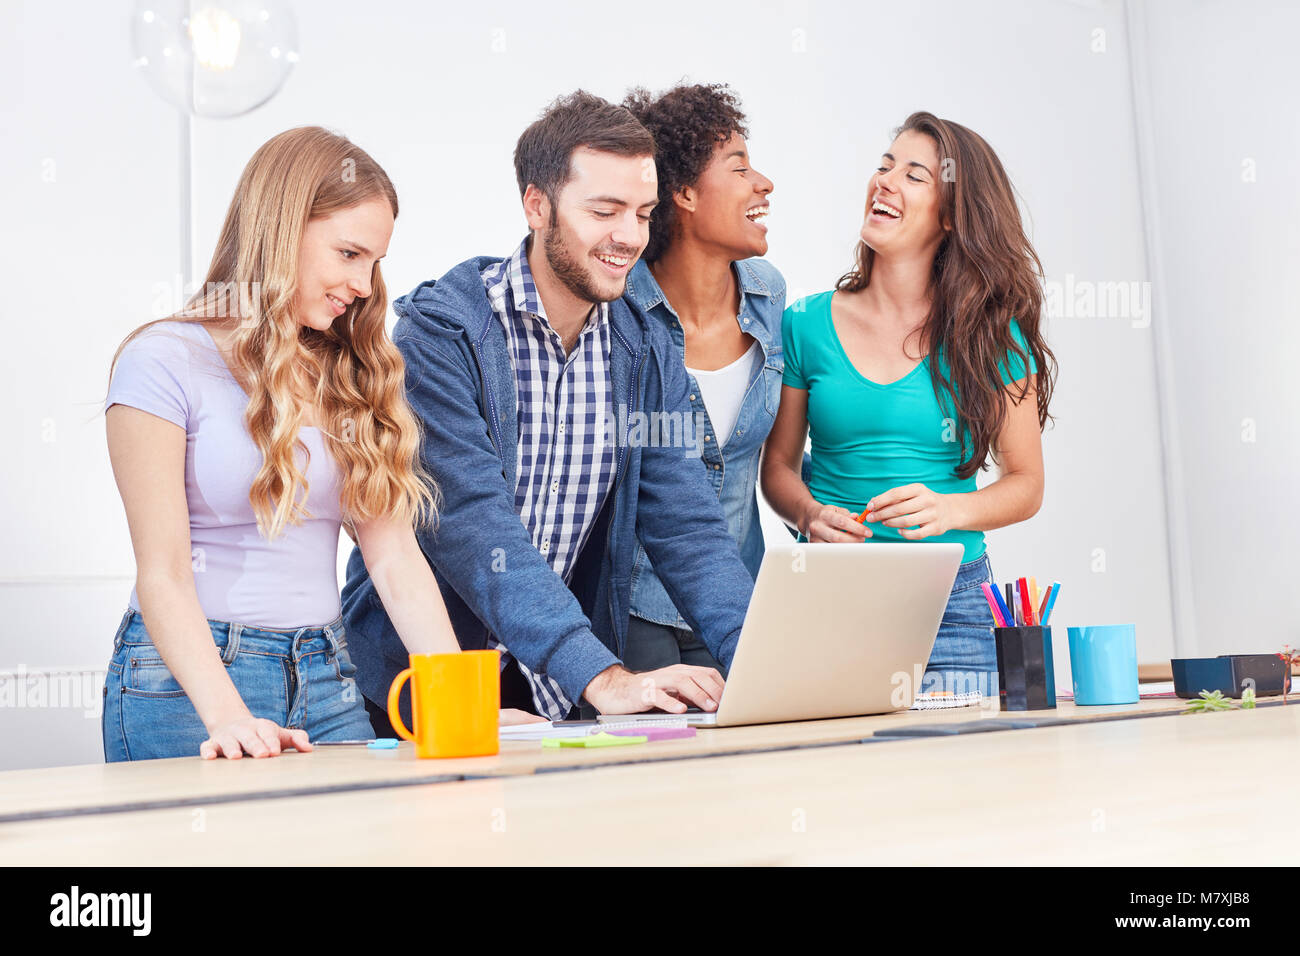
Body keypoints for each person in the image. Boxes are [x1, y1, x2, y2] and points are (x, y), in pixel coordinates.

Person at [103, 127, 536, 762]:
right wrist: (228, 718)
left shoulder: (347, 370)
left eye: (375, 263)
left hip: (328, 676)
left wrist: (463, 704)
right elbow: (163, 574)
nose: (363, 284)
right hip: (187, 689)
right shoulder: (161, 361)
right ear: (282, 230)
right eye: (349, 254)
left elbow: (392, 555)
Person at [342, 91, 757, 727]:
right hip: (423, 688)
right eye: (605, 210)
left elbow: (686, 526)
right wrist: (603, 675)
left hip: (553, 694)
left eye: (643, 214)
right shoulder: (442, 336)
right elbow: (475, 525)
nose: (630, 237)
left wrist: (761, 666)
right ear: (537, 205)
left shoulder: (644, 347)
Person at [761, 111, 1057, 697]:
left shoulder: (991, 337)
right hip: (828, 593)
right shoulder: (805, 324)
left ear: (950, 215)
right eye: (884, 165)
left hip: (951, 601)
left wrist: (950, 511)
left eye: (914, 175)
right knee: (832, 777)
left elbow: (1026, 483)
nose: (885, 181)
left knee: (953, 778)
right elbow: (777, 468)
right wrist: (808, 515)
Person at [618, 83, 783, 673]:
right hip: (638, 607)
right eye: (739, 167)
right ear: (682, 192)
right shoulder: (619, 309)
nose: (763, 182)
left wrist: (815, 511)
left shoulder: (768, 295)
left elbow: (774, 460)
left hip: (739, 598)